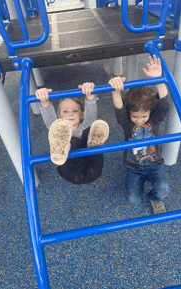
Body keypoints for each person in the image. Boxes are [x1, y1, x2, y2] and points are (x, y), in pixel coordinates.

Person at [109, 55, 171, 214]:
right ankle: (140, 186)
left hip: (154, 164)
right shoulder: (127, 123)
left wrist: (159, 79)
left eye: (144, 116)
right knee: (133, 199)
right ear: (130, 113)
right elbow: (119, 109)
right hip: (134, 167)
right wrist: (116, 90)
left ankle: (153, 197)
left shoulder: (154, 120)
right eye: (135, 116)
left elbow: (164, 104)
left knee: (164, 190)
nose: (139, 121)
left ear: (150, 112)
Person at [35, 82, 109, 185]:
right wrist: (44, 99)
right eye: (65, 111)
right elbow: (49, 116)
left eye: (75, 110)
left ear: (82, 114)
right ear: (59, 117)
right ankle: (63, 147)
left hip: (92, 168)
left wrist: (89, 93)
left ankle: (93, 143)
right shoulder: (58, 129)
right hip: (70, 171)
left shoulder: (86, 124)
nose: (70, 113)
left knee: (89, 130)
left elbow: (91, 112)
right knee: (66, 137)